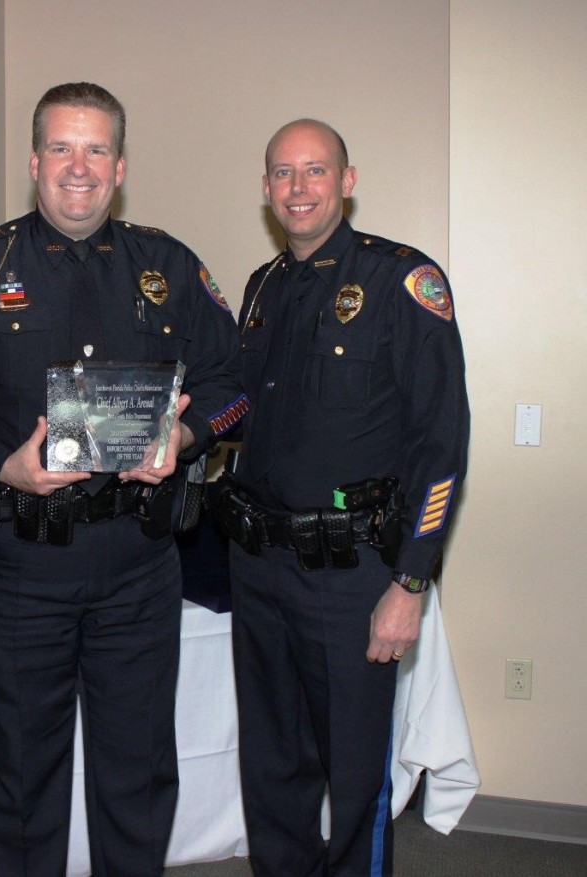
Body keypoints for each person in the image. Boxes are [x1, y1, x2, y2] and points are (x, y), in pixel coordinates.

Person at [0, 82, 249, 876]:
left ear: (121, 166)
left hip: (138, 566)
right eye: (61, 147)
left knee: (138, 773)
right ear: (33, 162)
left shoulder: (168, 263)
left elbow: (238, 386)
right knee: (25, 781)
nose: (78, 167)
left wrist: (189, 435)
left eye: (96, 149)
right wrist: (3, 465)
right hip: (17, 568)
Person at [217, 118, 470, 876]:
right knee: (272, 767)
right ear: (266, 188)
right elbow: (239, 407)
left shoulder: (403, 281)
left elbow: (442, 445)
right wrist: (172, 427)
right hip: (259, 565)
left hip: (352, 572)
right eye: (283, 174)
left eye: (315, 171)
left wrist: (411, 581)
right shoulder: (263, 288)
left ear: (347, 180)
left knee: (355, 773)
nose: (299, 188)